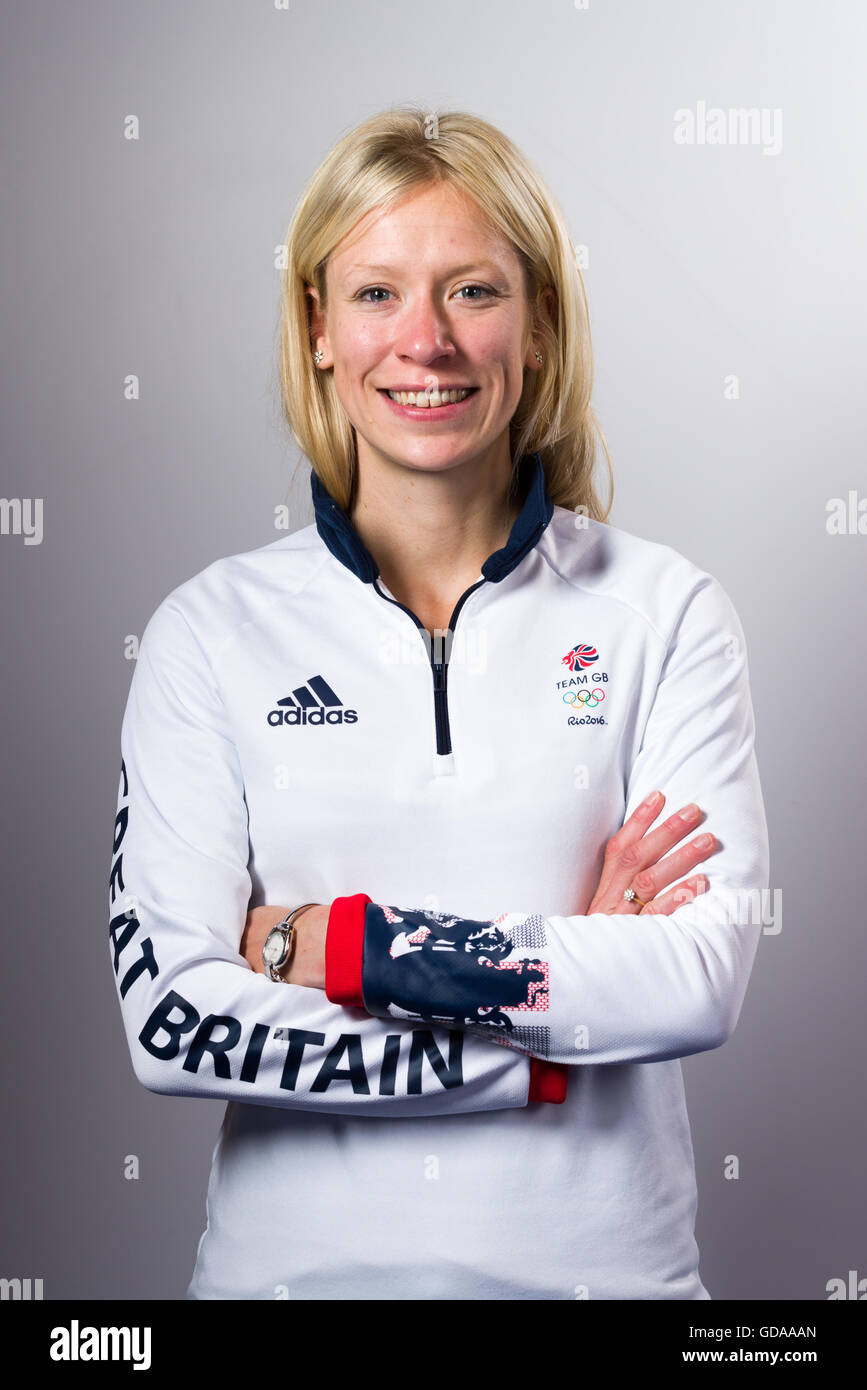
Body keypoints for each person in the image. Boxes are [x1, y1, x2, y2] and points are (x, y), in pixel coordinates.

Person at [107, 107, 769, 1300]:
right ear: (316, 327)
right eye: (374, 295)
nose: (425, 342)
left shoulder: (667, 612)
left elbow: (695, 977)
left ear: (540, 322)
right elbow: (170, 1021)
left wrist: (333, 946)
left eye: (472, 291)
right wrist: (535, 1037)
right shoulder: (206, 633)